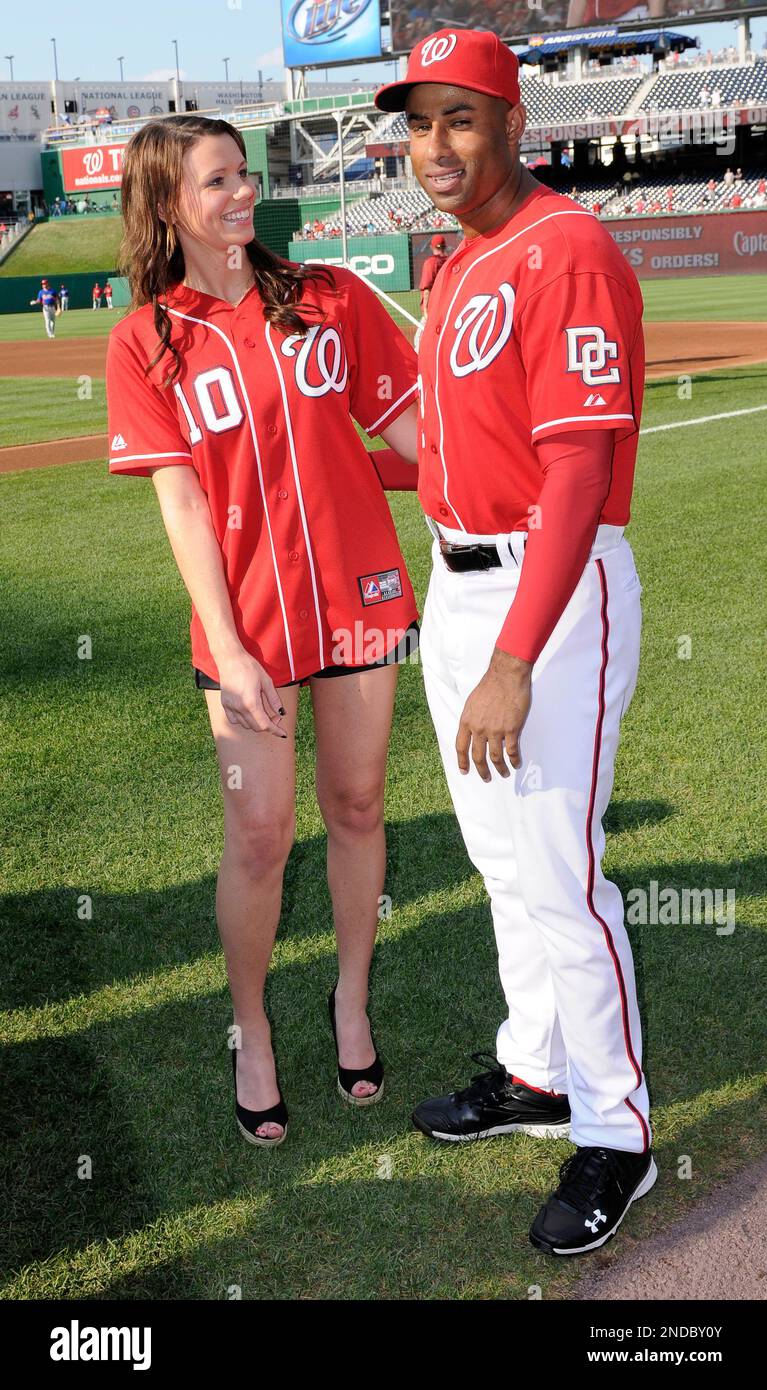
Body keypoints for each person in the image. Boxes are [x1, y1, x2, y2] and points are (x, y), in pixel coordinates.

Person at [375, 26, 654, 1257]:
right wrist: (353, 456)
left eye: (460, 118)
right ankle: (535, 1073)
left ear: (514, 123)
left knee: (559, 870)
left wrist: (512, 658)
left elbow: (578, 470)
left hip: (547, 592)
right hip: (459, 582)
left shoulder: (567, 249)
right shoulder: (457, 262)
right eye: (418, 122)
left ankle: (618, 1133)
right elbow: (447, 461)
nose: (434, 146)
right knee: (502, 861)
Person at [105, 115, 421, 1148]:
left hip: (359, 598)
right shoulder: (147, 337)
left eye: (246, 175)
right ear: (165, 205)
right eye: (217, 181)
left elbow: (413, 430)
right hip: (244, 622)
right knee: (259, 835)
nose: (243, 194)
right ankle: (252, 1029)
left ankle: (351, 1000)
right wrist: (229, 643)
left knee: (360, 803)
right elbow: (183, 503)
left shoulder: (327, 296)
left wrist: (513, 493)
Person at [415, 233, 449, 348]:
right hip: (447, 309)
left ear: (431, 247)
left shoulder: (431, 262)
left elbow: (426, 289)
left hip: (433, 309)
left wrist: (425, 311)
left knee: (419, 343)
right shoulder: (450, 260)